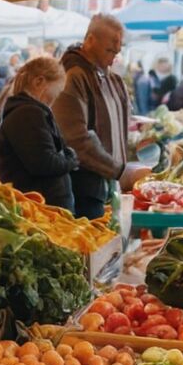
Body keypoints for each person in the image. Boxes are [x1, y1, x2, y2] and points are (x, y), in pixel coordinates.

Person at [52, 14, 150, 219]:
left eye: (117, 51)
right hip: (83, 189)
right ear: (89, 41)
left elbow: (120, 125)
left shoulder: (112, 78)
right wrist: (122, 172)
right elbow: (75, 140)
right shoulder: (73, 76)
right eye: (108, 50)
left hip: (108, 187)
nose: (113, 56)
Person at [0, 56, 78, 211]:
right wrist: (71, 160)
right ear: (39, 82)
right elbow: (45, 163)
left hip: (41, 206)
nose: (55, 98)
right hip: (41, 209)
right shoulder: (28, 114)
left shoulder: (27, 111)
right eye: (57, 91)